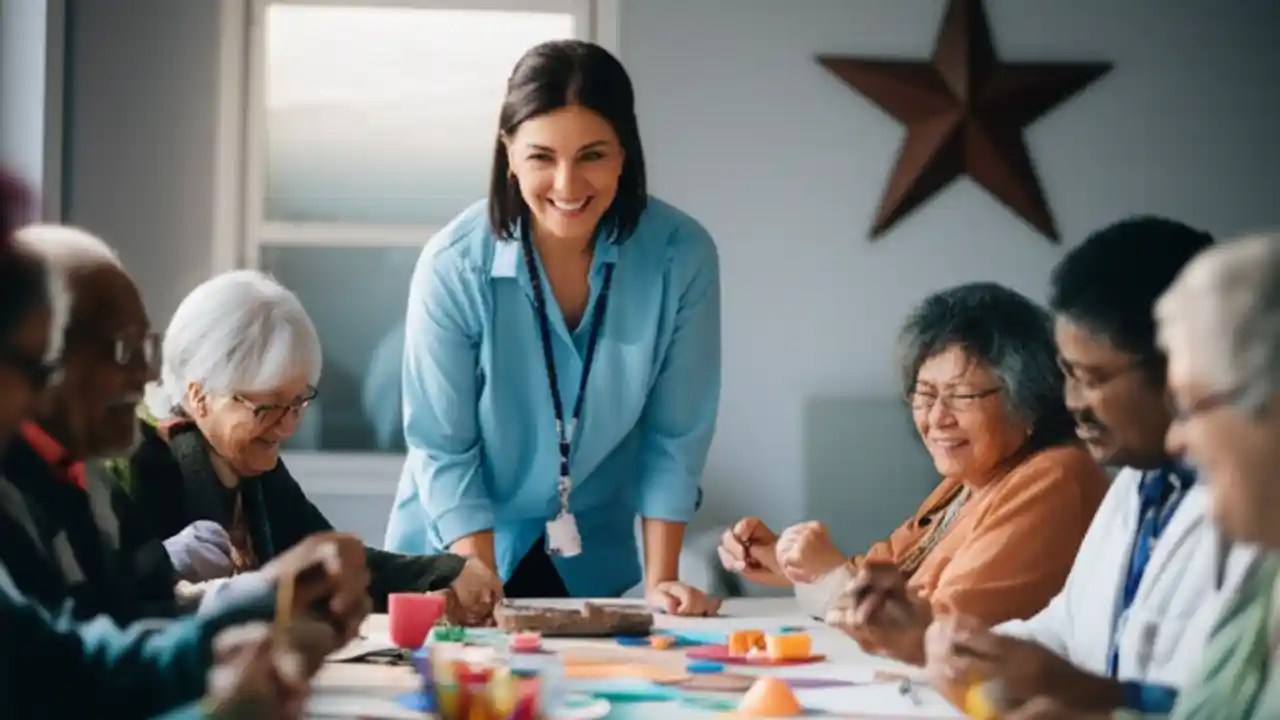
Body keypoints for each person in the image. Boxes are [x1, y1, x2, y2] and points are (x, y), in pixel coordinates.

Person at [0, 176, 361, 719]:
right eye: (122, 349)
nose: (147, 373)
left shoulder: (87, 479)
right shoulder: (127, 468)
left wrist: (263, 607)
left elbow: (88, 657)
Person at [383, 39, 721, 614]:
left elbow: (675, 436)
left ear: (625, 154)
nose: (567, 185)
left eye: (593, 155)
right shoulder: (452, 266)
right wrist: (480, 581)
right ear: (508, 153)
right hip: (458, 550)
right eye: (542, 157)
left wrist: (660, 580)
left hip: (590, 558)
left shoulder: (680, 256)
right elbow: (443, 446)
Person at [924, 217, 1231, 716]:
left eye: (1091, 379)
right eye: (1066, 375)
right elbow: (1069, 626)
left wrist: (1087, 695)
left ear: (1180, 369)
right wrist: (985, 651)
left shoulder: (1249, 511)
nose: (1073, 403)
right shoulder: (1137, 481)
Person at [722, 283, 1108, 663]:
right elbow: (883, 571)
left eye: (960, 395)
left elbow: (936, 633)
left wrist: (829, 573)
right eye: (924, 394)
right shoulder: (967, 481)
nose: (937, 417)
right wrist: (783, 558)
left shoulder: (1055, 476)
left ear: (1028, 400)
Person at [119, 269, 501, 621]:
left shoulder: (256, 470)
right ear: (199, 396)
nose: (288, 426)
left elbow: (336, 564)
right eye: (268, 406)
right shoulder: (150, 465)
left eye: (299, 402)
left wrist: (448, 571)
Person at [1011, 235, 1280, 719]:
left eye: (1192, 404)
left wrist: (1093, 703)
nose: (1178, 440)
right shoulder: (1137, 483)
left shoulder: (1254, 529)